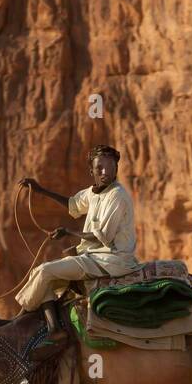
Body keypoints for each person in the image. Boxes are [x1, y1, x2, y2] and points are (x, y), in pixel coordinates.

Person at [16, 144, 141, 343]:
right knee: (39, 276)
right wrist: (40, 190)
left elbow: (104, 237)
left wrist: (68, 232)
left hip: (110, 260)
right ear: (91, 171)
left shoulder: (117, 195)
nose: (105, 171)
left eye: (110, 166)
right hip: (92, 256)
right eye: (99, 167)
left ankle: (16, 323)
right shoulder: (94, 193)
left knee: (44, 272)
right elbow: (73, 205)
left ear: (116, 168)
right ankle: (54, 328)